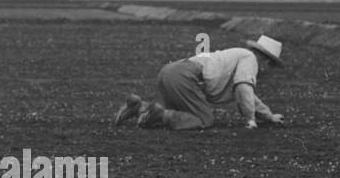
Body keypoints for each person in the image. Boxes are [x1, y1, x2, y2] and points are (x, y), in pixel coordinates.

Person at [113, 35, 287, 131]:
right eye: (271, 65)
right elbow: (244, 88)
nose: (269, 70)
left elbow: (246, 94)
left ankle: (139, 107)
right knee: (203, 120)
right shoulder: (250, 59)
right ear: (266, 60)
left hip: (170, 71)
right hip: (185, 78)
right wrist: (251, 120)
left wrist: (268, 115)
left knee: (179, 115)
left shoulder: (238, 55)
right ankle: (156, 114)